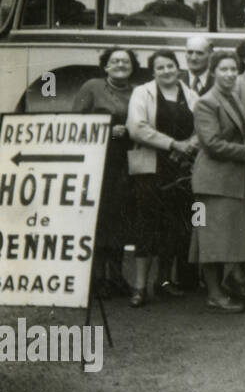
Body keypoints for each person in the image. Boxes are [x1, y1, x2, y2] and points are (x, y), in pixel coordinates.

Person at [125, 50, 200, 307]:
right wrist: (174, 145)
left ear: (178, 69)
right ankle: (139, 287)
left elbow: (203, 126)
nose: (166, 71)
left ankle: (164, 281)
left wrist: (190, 145)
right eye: (160, 68)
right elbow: (136, 128)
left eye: (170, 66)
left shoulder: (191, 95)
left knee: (174, 226)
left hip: (181, 169)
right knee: (146, 225)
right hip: (150, 167)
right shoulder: (142, 93)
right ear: (153, 72)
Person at [190, 50, 245, 313]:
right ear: (213, 72)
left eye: (233, 70)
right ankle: (215, 294)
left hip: (227, 179)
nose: (229, 74)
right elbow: (212, 144)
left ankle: (228, 283)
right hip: (211, 181)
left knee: (223, 238)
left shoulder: (231, 97)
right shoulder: (207, 102)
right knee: (210, 240)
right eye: (224, 70)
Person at [74, 48, 140, 303]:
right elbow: (76, 125)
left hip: (124, 162)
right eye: (115, 61)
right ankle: (97, 278)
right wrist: (110, 132)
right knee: (99, 218)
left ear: (132, 66)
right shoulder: (92, 87)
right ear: (105, 66)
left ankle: (116, 275)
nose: (120, 65)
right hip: (97, 161)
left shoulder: (137, 92)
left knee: (121, 218)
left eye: (125, 61)